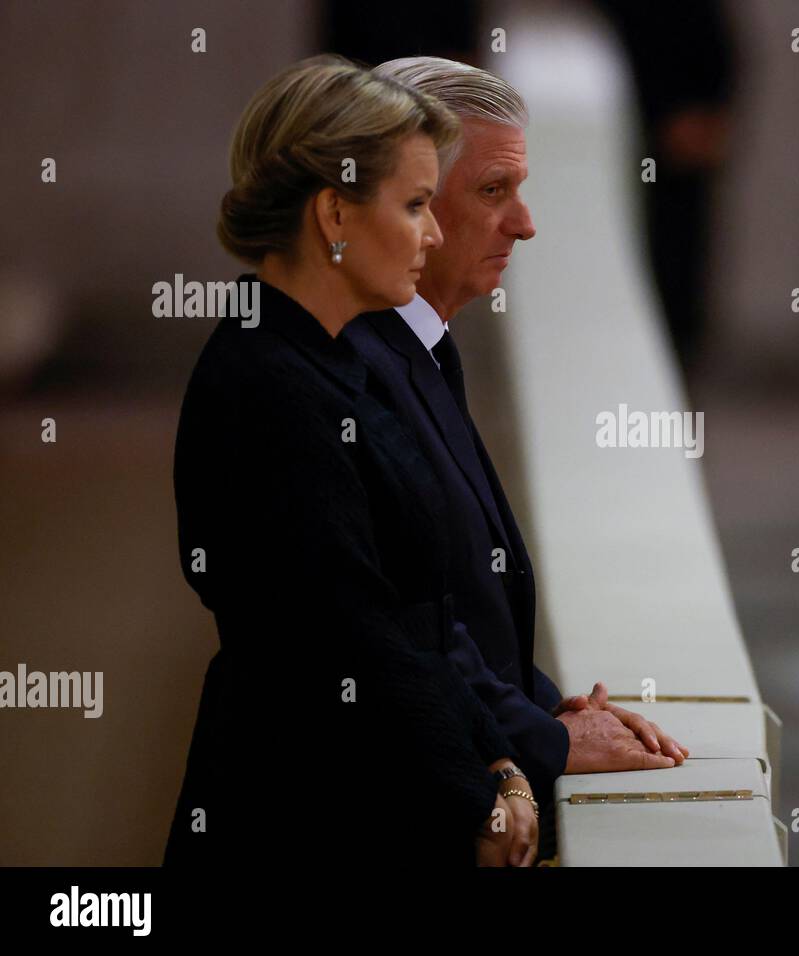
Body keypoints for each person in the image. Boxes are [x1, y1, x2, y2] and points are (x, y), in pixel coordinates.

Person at [165, 54, 534, 868]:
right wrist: (482, 791)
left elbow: (412, 622)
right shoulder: (268, 385)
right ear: (334, 215)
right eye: (413, 205)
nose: (432, 230)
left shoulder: (327, 364)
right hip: (303, 825)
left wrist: (502, 758)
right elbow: (348, 635)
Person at [343, 58, 689, 824]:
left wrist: (553, 710)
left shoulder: (424, 347)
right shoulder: (355, 370)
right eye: (493, 192)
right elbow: (397, 623)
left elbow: (451, 607)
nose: (525, 223)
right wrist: (548, 740)